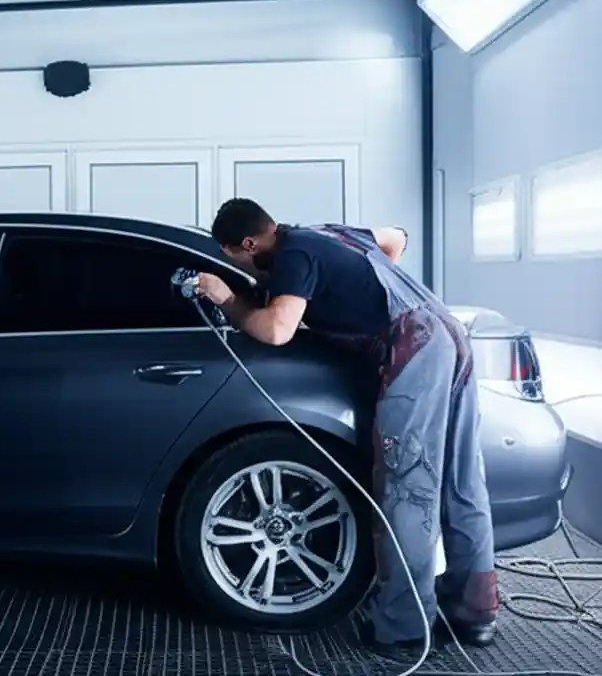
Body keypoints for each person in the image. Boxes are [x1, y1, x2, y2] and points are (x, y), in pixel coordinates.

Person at [195, 199, 499, 657]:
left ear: (250, 243)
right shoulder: (326, 233)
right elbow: (396, 237)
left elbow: (278, 330)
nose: (233, 264)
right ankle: (476, 614)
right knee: (461, 480)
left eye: (232, 255)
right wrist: (363, 297)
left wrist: (228, 298)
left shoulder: (295, 256)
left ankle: (403, 630)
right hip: (445, 328)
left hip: (414, 345)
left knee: (409, 489)